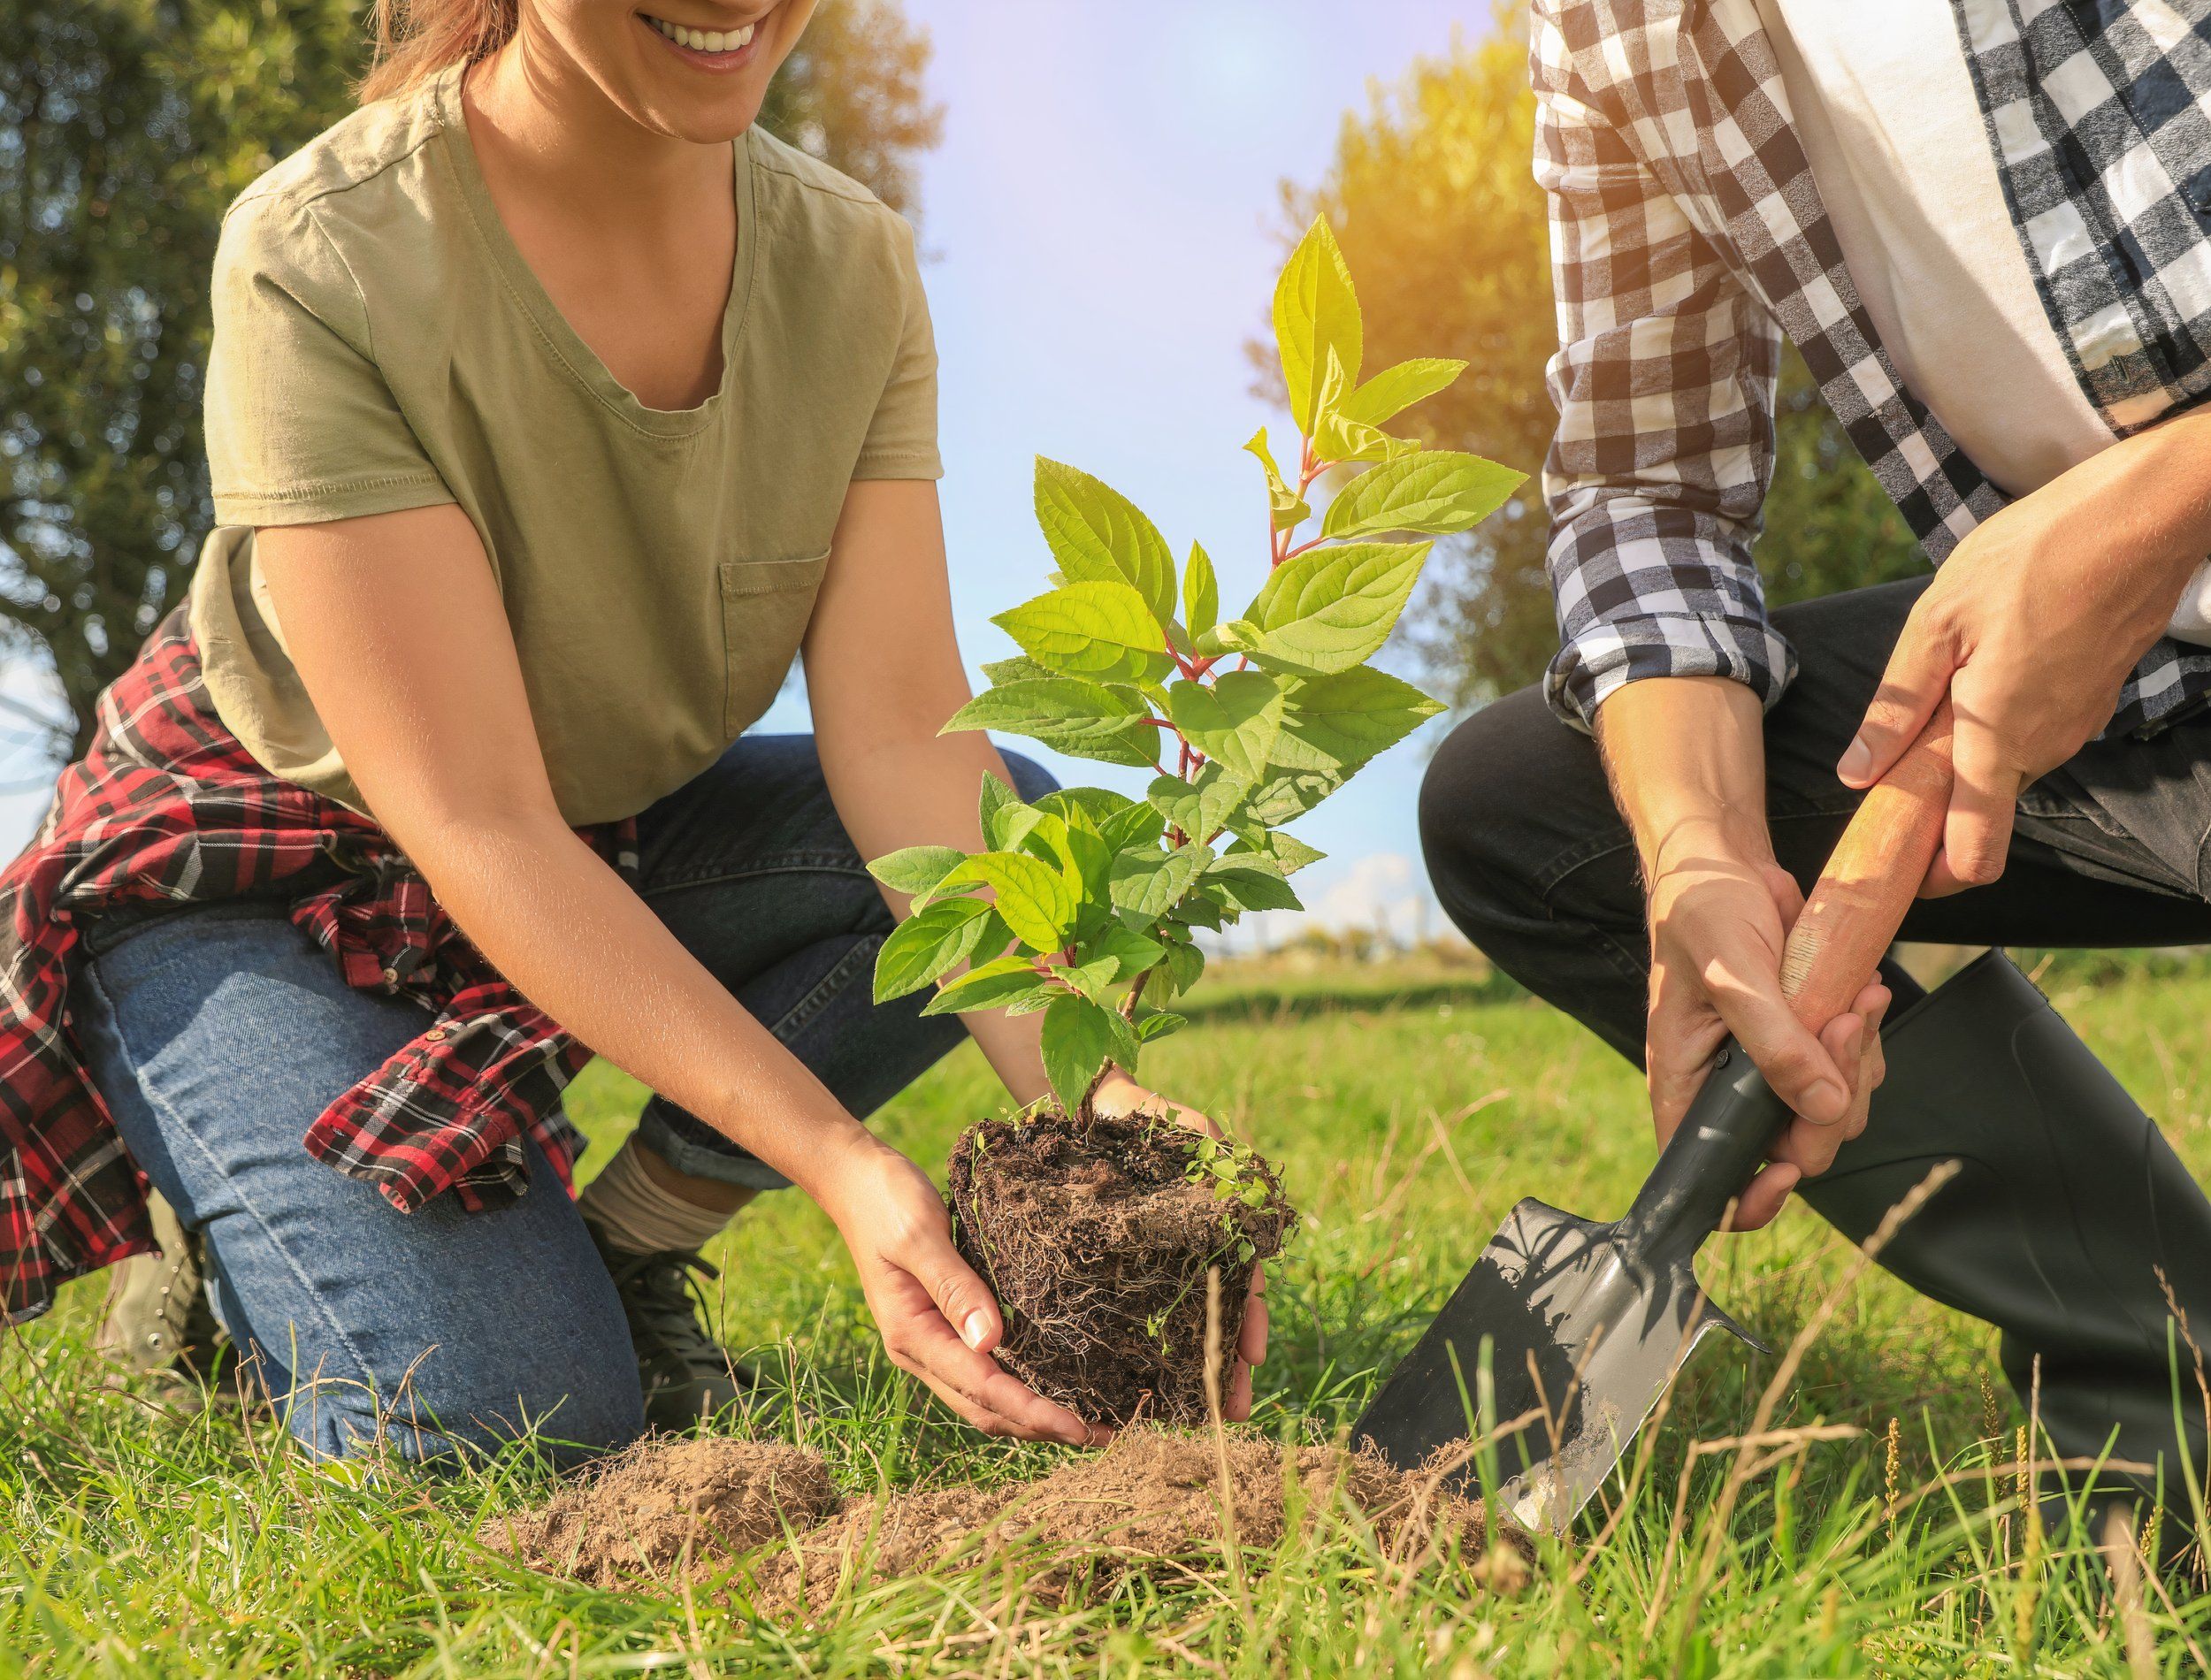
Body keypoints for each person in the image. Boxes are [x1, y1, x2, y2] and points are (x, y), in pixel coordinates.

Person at [0, 0, 1266, 1463]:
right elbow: (472, 815)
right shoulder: (326, 254)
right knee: (499, 1431)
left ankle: (630, 1242)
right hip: (262, 875)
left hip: (588, 842)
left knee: (1000, 819)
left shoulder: (844, 263)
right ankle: (210, 1204)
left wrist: (1093, 1084)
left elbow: (912, 746)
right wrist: (843, 1164)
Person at [1422, 0, 2211, 1508]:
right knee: (1533, 807)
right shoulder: (1612, 28)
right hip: (2126, 696)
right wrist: (1704, 853)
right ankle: (2176, 1371)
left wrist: (2163, 499)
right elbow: (1648, 489)